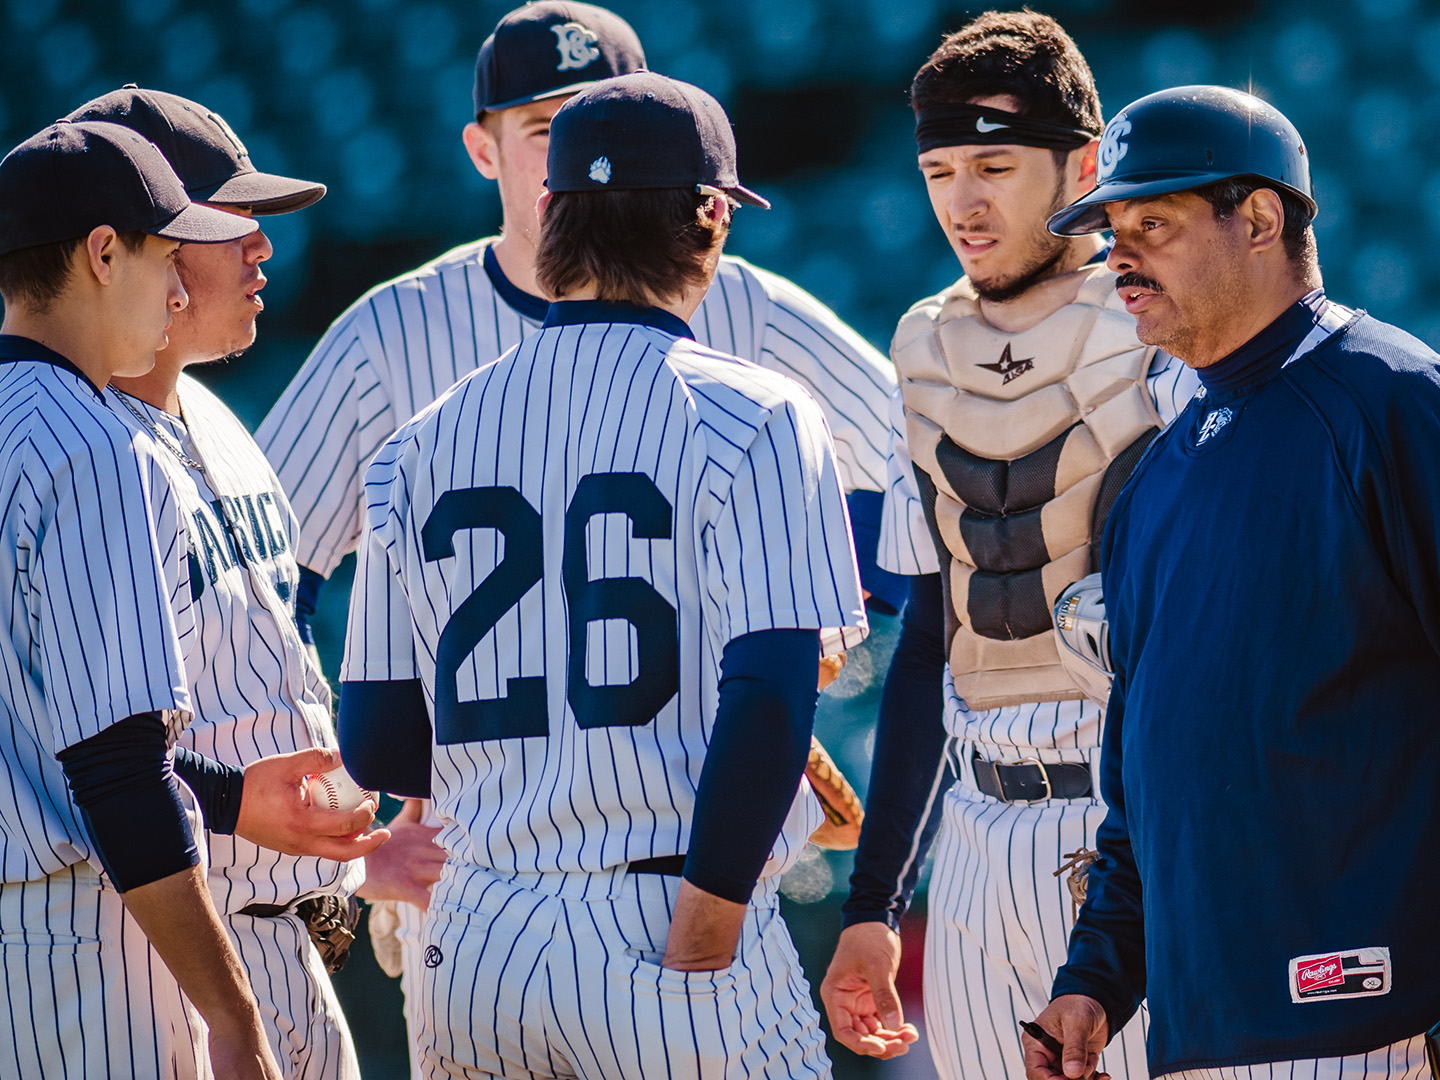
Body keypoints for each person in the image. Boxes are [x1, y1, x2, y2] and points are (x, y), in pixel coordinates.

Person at [255, 5, 897, 1072]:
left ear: (555, 212)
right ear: (709, 221)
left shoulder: (421, 439)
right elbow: (774, 695)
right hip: (670, 911)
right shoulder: (760, 410)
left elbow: (378, 738)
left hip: (478, 932)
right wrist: (711, 916)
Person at [1024, 86, 1440, 1080]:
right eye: (1111, 231)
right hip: (1203, 1022)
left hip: (1377, 1008)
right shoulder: (1153, 480)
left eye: (1154, 224)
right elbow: (1148, 781)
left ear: (1261, 219)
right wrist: (1095, 982)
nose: (1118, 258)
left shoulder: (1394, 398)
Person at [821, 13, 1197, 1080]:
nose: (964, 202)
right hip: (979, 835)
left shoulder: (1168, 327)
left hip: (1140, 824)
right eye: (941, 169)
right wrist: (876, 902)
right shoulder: (921, 342)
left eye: (996, 165)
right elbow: (934, 638)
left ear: (1081, 163)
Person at [67, 85, 441, 1080]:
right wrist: (232, 809)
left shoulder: (225, 426)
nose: (261, 247)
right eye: (232, 222)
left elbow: (256, 695)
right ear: (148, 245)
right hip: (143, 956)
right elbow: (62, 751)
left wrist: (360, 856)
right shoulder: (63, 450)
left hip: (285, 945)